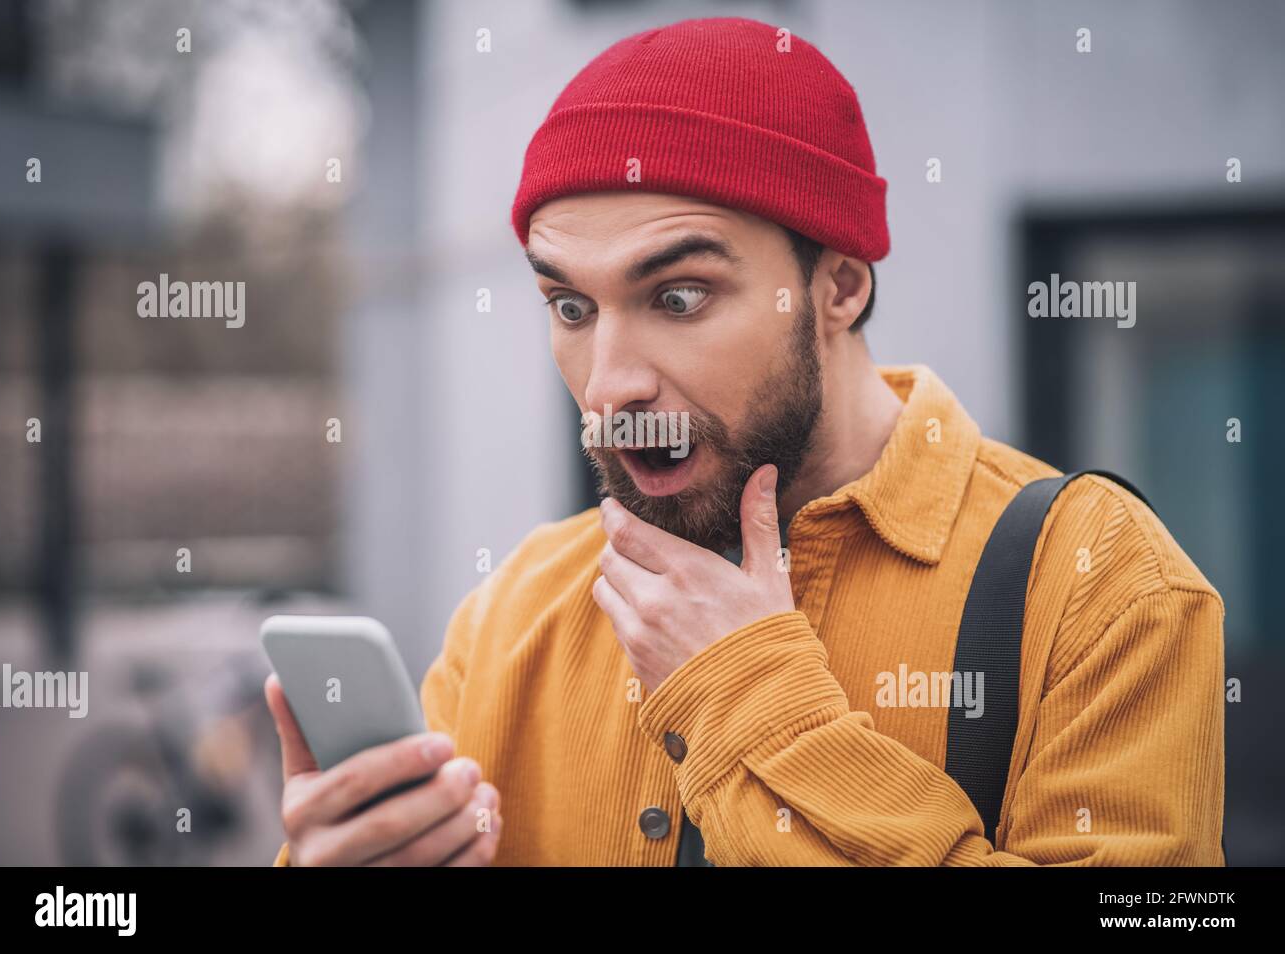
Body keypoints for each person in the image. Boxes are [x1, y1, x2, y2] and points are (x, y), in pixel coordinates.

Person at [269, 15, 1224, 866]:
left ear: (839, 288)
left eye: (678, 297)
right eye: (569, 304)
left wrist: (751, 698)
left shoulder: (1103, 586)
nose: (608, 385)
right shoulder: (512, 615)